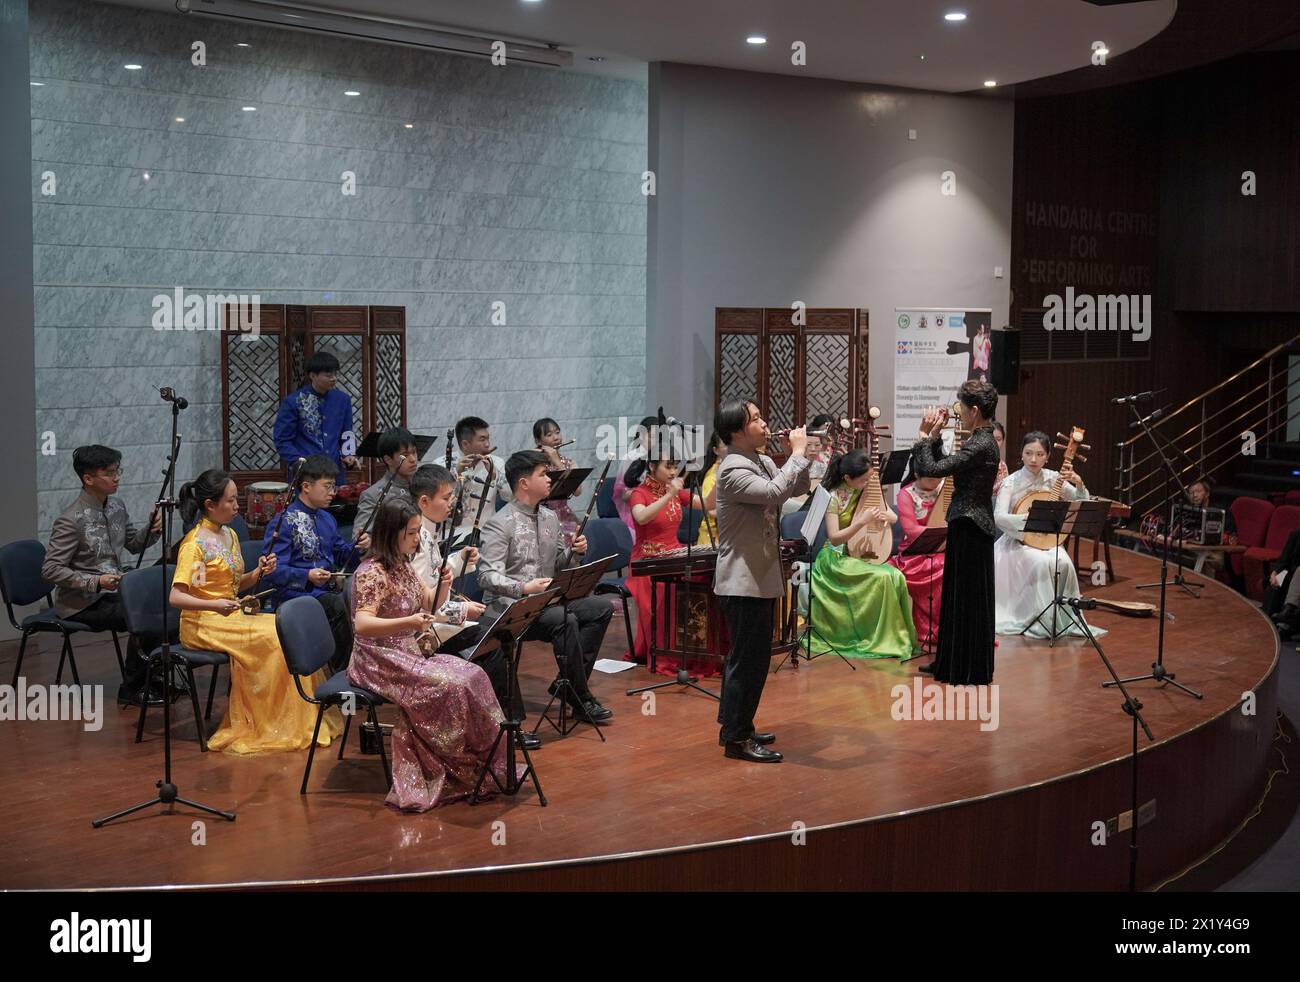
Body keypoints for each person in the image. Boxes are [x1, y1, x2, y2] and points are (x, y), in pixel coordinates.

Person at [348, 498, 512, 811]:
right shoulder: (371, 573)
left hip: (407, 650)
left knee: (472, 674)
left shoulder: (403, 564)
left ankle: (483, 756)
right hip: (377, 657)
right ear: (391, 533)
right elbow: (363, 624)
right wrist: (408, 622)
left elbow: (430, 603)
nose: (416, 539)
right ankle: (451, 763)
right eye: (411, 533)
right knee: (447, 684)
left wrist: (445, 585)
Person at [169, 469, 339, 754]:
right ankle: (269, 721)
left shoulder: (230, 535)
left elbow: (235, 584)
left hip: (228, 613)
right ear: (210, 505)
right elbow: (177, 596)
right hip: (203, 622)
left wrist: (260, 572)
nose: (238, 507)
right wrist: (215, 605)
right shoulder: (194, 544)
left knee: (286, 631)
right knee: (273, 640)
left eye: (238, 500)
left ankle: (294, 718)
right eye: (231, 501)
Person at [407, 463, 541, 751]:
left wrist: (458, 559)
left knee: (497, 634)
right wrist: (461, 612)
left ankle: (502, 723)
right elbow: (421, 603)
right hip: (421, 634)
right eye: (446, 498)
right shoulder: (416, 539)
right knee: (495, 639)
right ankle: (503, 725)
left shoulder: (426, 533)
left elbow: (433, 575)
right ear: (424, 501)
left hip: (435, 621)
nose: (451, 503)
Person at [478, 450, 613, 723]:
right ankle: (579, 696)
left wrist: (575, 552)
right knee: (565, 620)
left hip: (547, 600)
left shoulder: (550, 518)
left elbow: (558, 568)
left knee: (600, 607)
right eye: (543, 474)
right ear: (524, 483)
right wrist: (524, 588)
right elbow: (486, 575)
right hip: (514, 607)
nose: (550, 478)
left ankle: (568, 684)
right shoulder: (500, 523)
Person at [713, 400, 811, 763]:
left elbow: (795, 489)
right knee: (746, 659)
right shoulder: (731, 469)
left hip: (760, 573)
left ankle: (740, 724)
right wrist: (797, 454)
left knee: (753, 659)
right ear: (737, 432)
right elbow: (771, 494)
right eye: (755, 419)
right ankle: (735, 739)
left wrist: (795, 456)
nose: (765, 423)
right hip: (741, 578)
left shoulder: (763, 461)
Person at [42, 445, 163, 706]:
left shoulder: (117, 507)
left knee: (164, 605)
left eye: (118, 471)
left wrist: (152, 529)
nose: (117, 477)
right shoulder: (71, 520)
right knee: (143, 614)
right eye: (109, 473)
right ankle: (133, 688)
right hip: (81, 604)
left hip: (113, 592)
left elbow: (133, 543)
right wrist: (96, 582)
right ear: (88, 479)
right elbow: (51, 569)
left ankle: (152, 679)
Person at [912, 381, 1001, 685]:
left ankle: (966, 666)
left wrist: (924, 435)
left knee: (967, 597)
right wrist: (934, 437)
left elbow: (932, 471)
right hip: (966, 523)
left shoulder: (981, 444)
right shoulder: (980, 439)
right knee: (957, 597)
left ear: (974, 411)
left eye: (962, 408)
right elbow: (939, 464)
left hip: (972, 526)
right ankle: (951, 660)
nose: (959, 413)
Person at [803, 449, 917, 659]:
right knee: (882, 577)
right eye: (864, 479)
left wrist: (887, 516)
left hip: (860, 553)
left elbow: (891, 517)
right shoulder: (833, 497)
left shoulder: (865, 490)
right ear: (847, 478)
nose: (868, 482)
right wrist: (861, 522)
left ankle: (889, 636)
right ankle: (872, 637)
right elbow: (835, 538)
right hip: (835, 558)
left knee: (896, 575)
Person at [993, 431, 1104, 640]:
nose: (1034, 459)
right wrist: (1026, 521)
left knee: (1064, 563)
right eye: (1029, 453)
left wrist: (1079, 483)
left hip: (1046, 540)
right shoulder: (1011, 481)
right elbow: (998, 517)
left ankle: (1064, 619)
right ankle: (1041, 620)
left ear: (1048, 456)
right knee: (1040, 564)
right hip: (1018, 542)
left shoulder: (1055, 478)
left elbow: (1081, 503)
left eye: (1040, 454)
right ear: (1021, 454)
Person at [262, 454, 367, 672]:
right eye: (327, 486)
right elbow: (272, 571)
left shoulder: (326, 518)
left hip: (325, 591)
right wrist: (305, 576)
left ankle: (362, 668)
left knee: (362, 597)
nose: (333, 492)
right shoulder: (283, 521)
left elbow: (343, 557)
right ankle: (343, 674)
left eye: (334, 486)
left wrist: (360, 546)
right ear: (306, 486)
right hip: (296, 595)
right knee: (337, 606)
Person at [624, 453, 708, 672]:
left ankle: (698, 649)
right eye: (668, 467)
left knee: (702, 579)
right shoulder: (639, 493)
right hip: (647, 562)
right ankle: (667, 652)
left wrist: (719, 473)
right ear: (651, 466)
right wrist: (669, 494)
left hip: (674, 555)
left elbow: (707, 504)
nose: (673, 472)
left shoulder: (675, 491)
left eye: (675, 467)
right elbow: (641, 517)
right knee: (666, 592)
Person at [273, 351, 357, 480]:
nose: (334, 378)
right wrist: (299, 462)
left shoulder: (342, 399)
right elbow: (282, 439)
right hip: (306, 473)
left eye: (335, 374)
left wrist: (349, 454)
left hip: (335, 471)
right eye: (328, 375)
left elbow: (347, 432)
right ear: (312, 375)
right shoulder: (293, 401)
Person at [890, 476, 946, 654]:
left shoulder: (946, 487)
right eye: (930, 478)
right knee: (943, 567)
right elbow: (911, 530)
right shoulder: (907, 494)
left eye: (938, 478)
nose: (935, 483)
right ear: (918, 474)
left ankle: (956, 630)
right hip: (914, 554)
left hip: (944, 548)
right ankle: (932, 630)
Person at [449, 416, 512, 543]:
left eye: (488, 439)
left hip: (489, 534)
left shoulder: (497, 463)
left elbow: (510, 496)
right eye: (482, 440)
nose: (488, 444)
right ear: (465, 444)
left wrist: (495, 476)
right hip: (453, 536)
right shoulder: (444, 463)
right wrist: (456, 473)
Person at [353, 427, 420, 537]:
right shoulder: (372, 495)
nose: (413, 459)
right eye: (405, 455)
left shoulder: (423, 483)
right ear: (388, 459)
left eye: (414, 452)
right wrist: (365, 540)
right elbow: (362, 537)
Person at [534, 417, 581, 547]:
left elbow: (577, 491)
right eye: (549, 435)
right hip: (539, 517)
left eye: (557, 432)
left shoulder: (569, 463)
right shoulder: (533, 464)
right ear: (538, 441)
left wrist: (557, 462)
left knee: (573, 551)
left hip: (564, 516)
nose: (556, 437)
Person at [613, 415, 660, 533]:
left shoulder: (661, 457)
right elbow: (623, 494)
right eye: (652, 437)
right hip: (635, 509)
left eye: (658, 437)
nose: (655, 441)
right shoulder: (631, 458)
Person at [694, 431, 727, 547]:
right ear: (716, 450)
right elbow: (712, 511)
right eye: (725, 444)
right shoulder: (712, 477)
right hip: (712, 538)